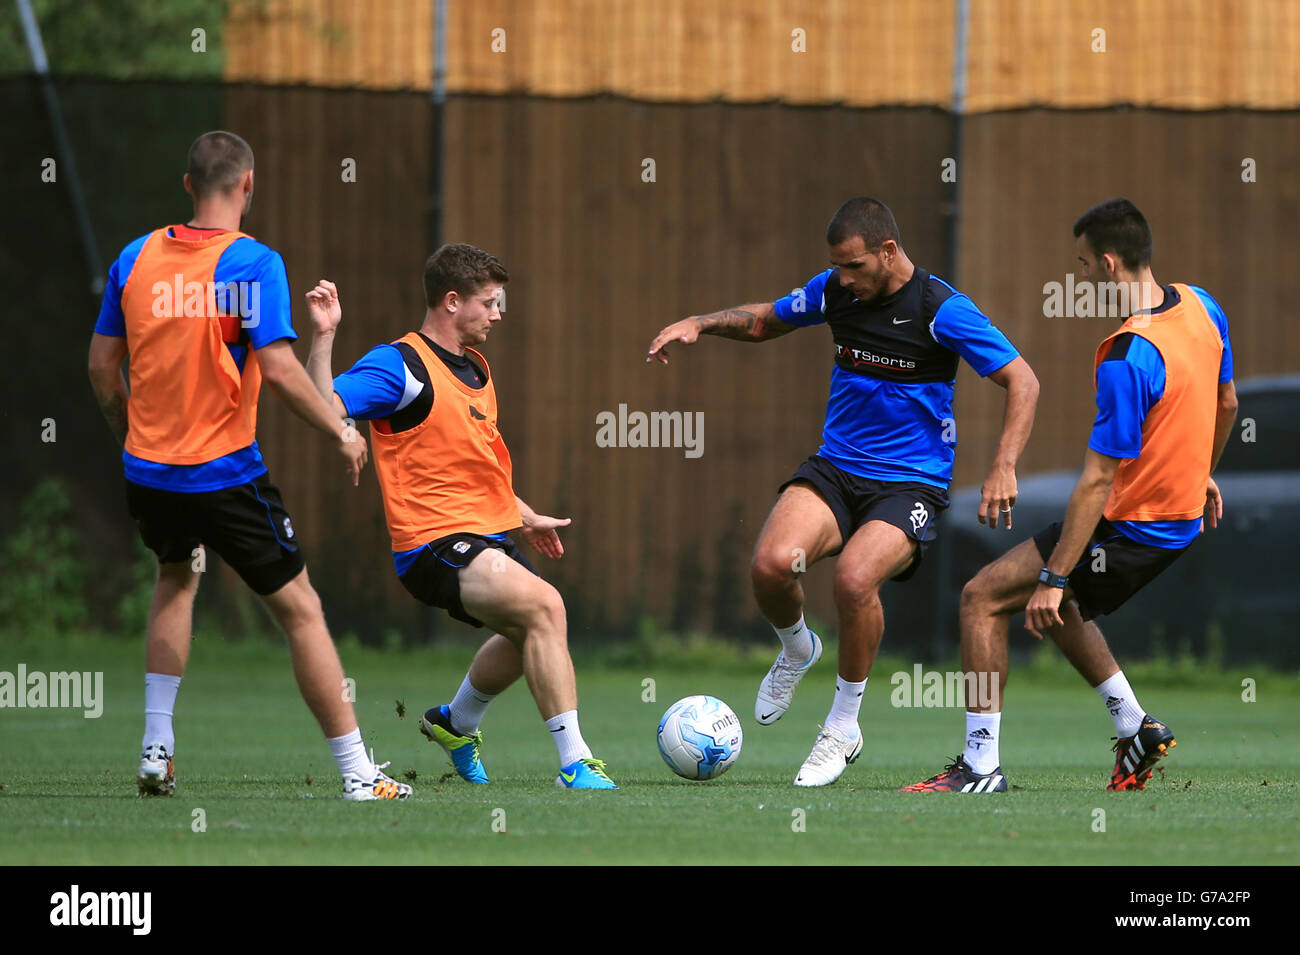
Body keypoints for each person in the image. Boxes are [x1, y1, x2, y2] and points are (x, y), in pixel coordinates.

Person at [647, 197, 1039, 786]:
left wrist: (1004, 464)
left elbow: (1022, 380)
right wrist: (700, 323)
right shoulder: (836, 291)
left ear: (888, 251)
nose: (843, 278)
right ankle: (798, 648)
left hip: (910, 483)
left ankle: (841, 726)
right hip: (837, 469)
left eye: (854, 266)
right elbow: (765, 320)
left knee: (855, 580)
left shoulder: (941, 309)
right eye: (837, 267)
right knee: (771, 567)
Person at [87, 131, 411, 801]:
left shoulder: (135, 257)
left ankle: (156, 748)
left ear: (187, 186)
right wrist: (341, 432)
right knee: (301, 610)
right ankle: (357, 774)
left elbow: (99, 366)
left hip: (149, 472)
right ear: (247, 186)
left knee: (176, 578)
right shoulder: (252, 263)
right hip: (225, 473)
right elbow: (283, 370)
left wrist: (130, 432)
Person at [903, 198, 1237, 793]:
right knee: (1051, 603)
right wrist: (1200, 471)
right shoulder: (1202, 305)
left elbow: (1098, 481)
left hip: (1131, 525)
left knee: (981, 598)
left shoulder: (1128, 355)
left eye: (1083, 265)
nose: (1081, 276)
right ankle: (1134, 725)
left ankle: (980, 768)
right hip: (1173, 520)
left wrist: (1054, 576)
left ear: (1109, 264)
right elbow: (1225, 402)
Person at [303, 244, 617, 790]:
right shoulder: (400, 365)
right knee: (546, 607)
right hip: (432, 544)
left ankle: (455, 723)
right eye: (490, 303)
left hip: (488, 534)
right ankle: (575, 763)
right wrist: (325, 335)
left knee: (533, 635)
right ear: (452, 301)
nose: (498, 314)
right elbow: (322, 405)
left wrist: (525, 516)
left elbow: (475, 468)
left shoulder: (477, 369)